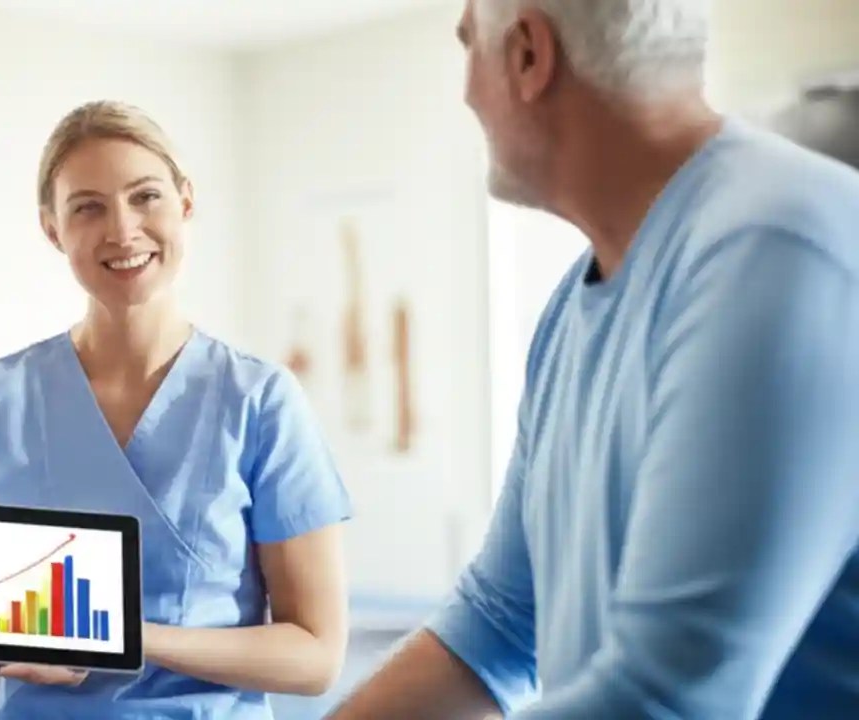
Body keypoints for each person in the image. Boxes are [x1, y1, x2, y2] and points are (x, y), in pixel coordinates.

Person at [328, 0, 859, 718]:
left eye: (467, 48)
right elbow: (496, 626)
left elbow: (661, 700)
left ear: (527, 57)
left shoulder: (775, 249)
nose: (464, 93)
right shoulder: (575, 306)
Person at [0, 100, 353, 718]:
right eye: (88, 207)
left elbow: (316, 656)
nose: (123, 230)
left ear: (186, 202)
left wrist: (122, 639)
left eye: (145, 196)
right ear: (53, 229)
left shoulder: (259, 400)